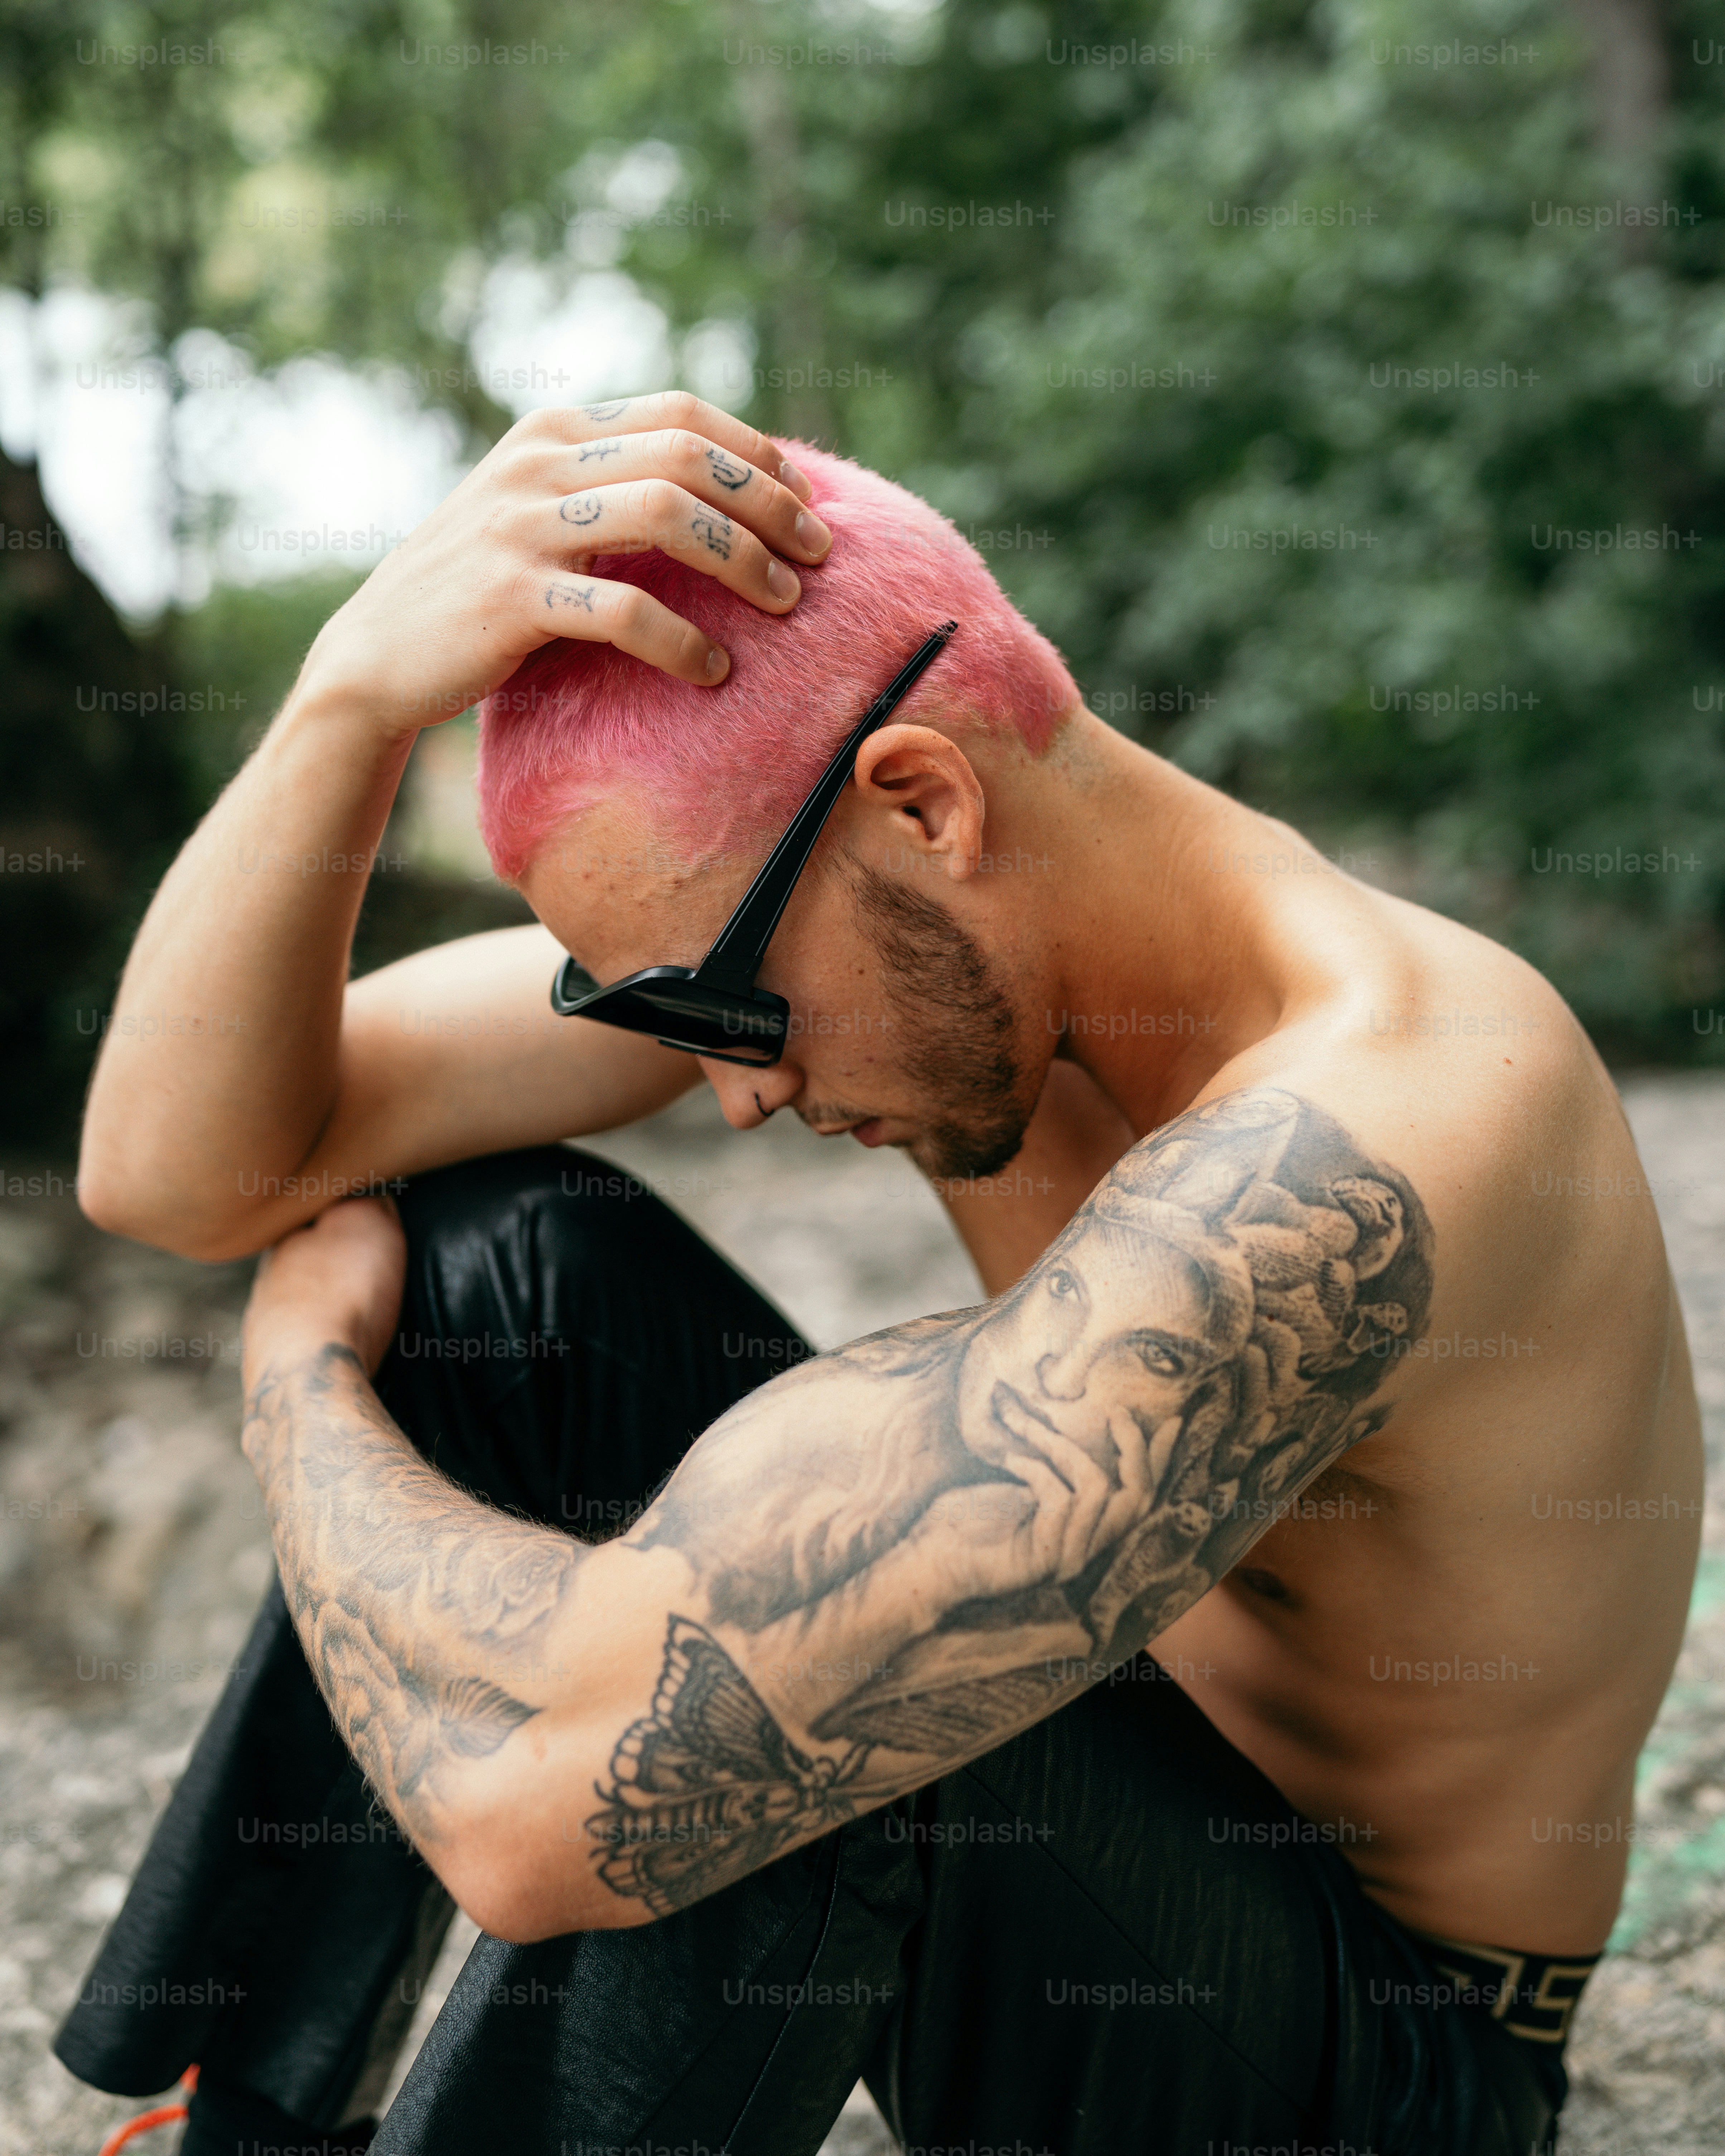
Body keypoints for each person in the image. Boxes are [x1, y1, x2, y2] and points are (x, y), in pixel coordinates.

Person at [56, 393, 1699, 2156]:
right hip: (1115, 1832)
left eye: (719, 1010)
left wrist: (299, 1403)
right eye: (664, 1022)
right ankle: (248, 2124)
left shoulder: (1387, 1119)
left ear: (920, 802)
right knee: (501, 1259)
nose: (736, 1090)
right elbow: (177, 1174)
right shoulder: (911, 943)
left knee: (801, 1694)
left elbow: (537, 1826)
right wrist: (347, 699)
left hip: (1377, 2061)